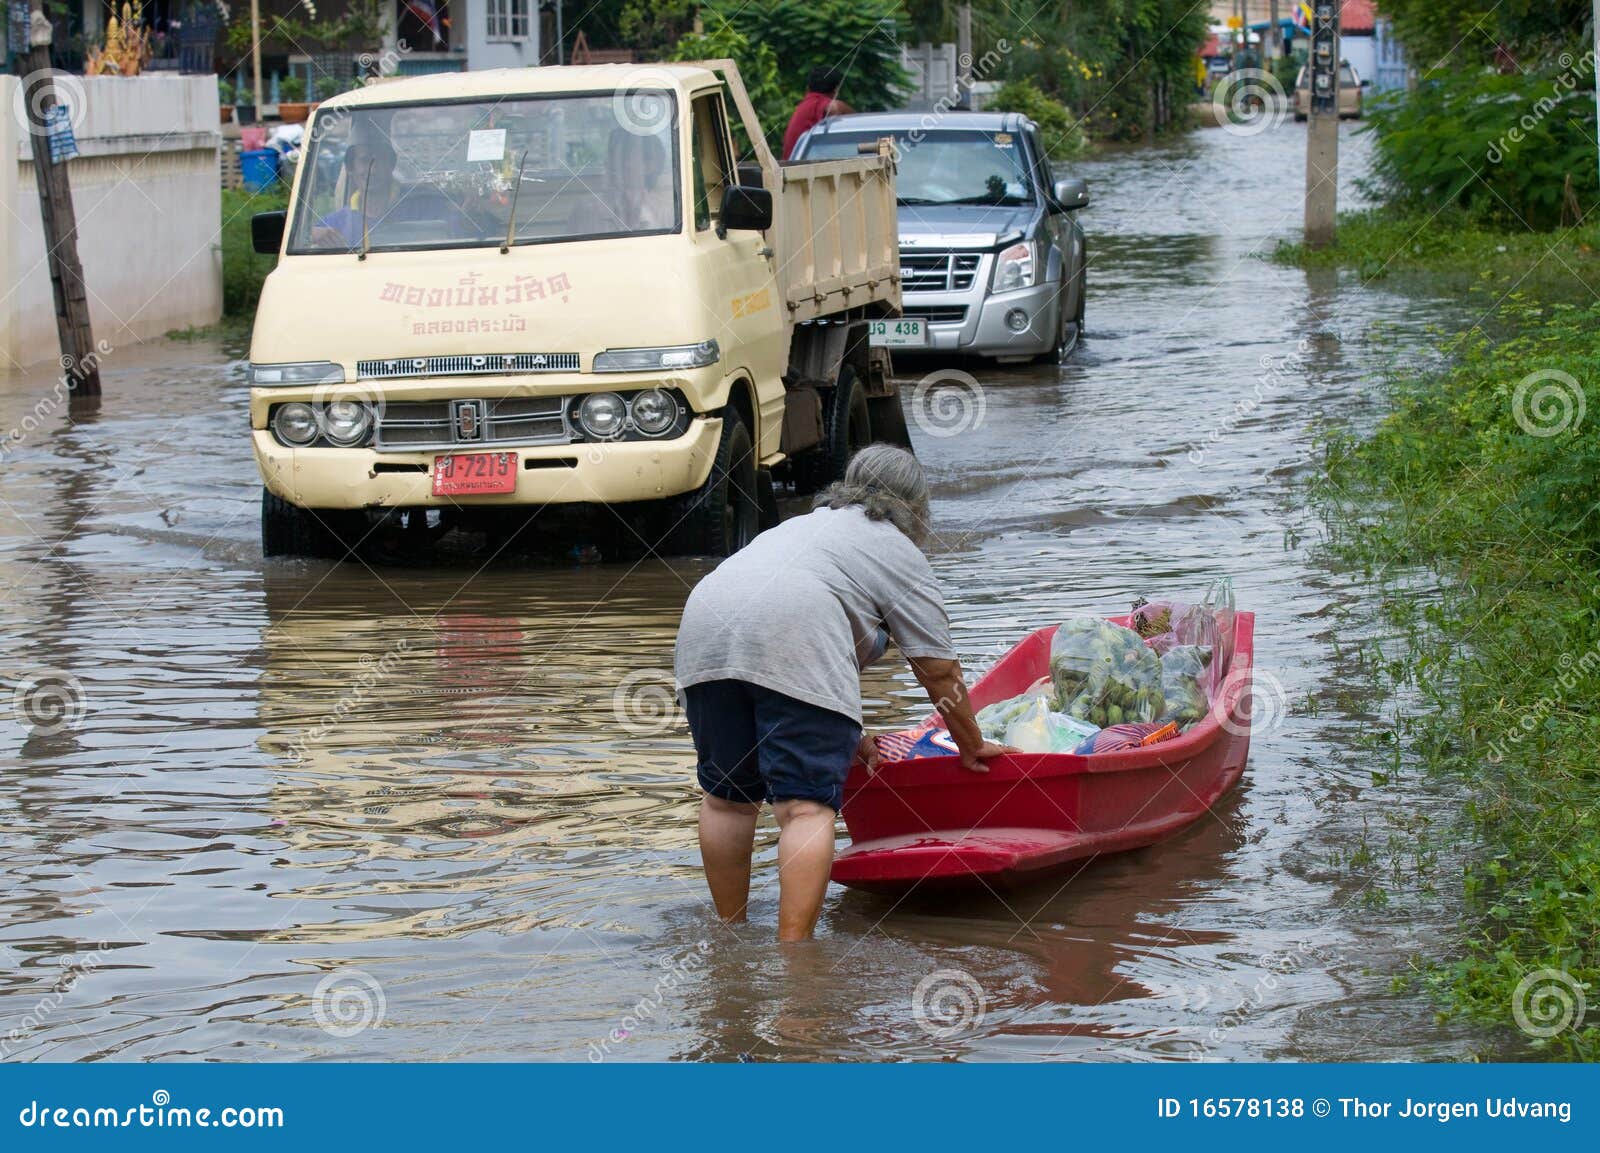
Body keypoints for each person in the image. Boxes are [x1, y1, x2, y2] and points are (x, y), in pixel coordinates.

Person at [673, 445, 1007, 942]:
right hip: (791, 635)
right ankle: (795, 957)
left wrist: (848, 735)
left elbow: (799, 668)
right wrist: (971, 745)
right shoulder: (895, 547)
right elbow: (938, 669)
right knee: (804, 809)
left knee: (728, 800)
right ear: (918, 508)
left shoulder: (798, 528)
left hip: (703, 631)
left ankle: (730, 939)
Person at [781, 67, 853, 161]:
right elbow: (834, 108)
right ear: (836, 89)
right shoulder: (825, 105)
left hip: (790, 164)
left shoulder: (804, 105)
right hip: (801, 165)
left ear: (808, 88)